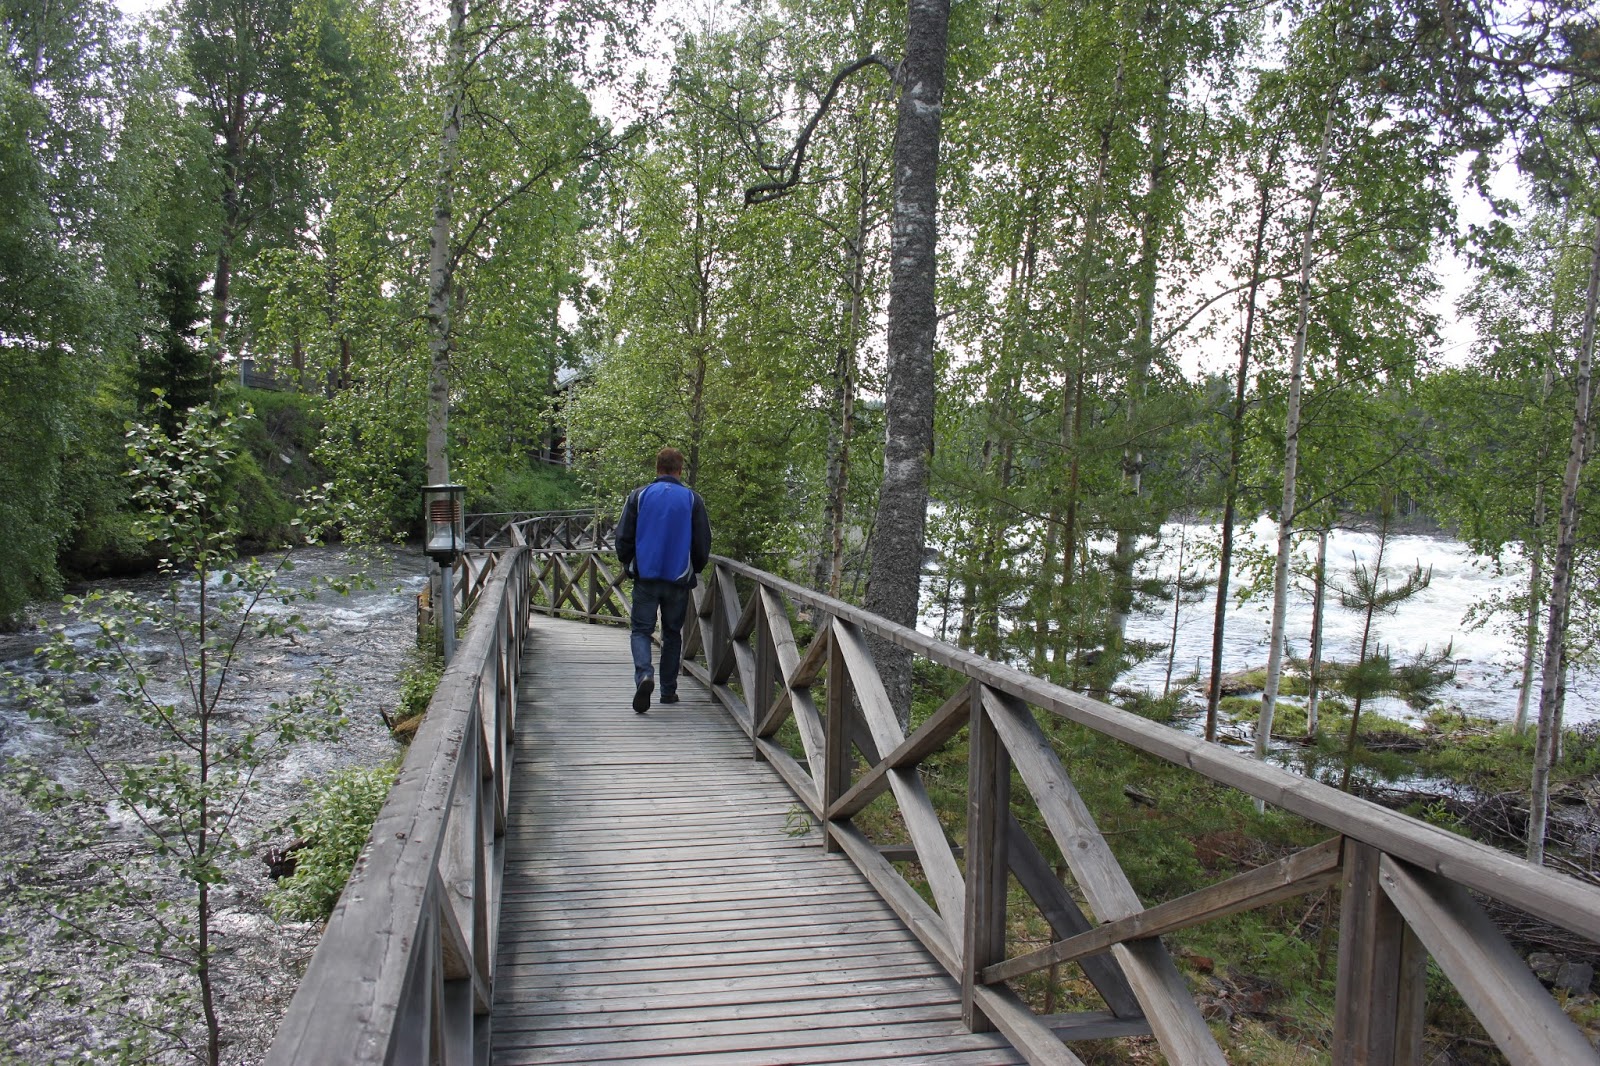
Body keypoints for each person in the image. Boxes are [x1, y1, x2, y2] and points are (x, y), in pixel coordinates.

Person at [616, 447, 711, 713]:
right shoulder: (693, 500)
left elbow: (624, 536)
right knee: (672, 634)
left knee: (641, 631)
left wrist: (628, 563)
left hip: (646, 576)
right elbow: (702, 541)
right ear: (680, 470)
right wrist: (696, 568)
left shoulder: (639, 496)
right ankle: (668, 691)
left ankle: (644, 675)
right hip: (678, 578)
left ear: (657, 468)